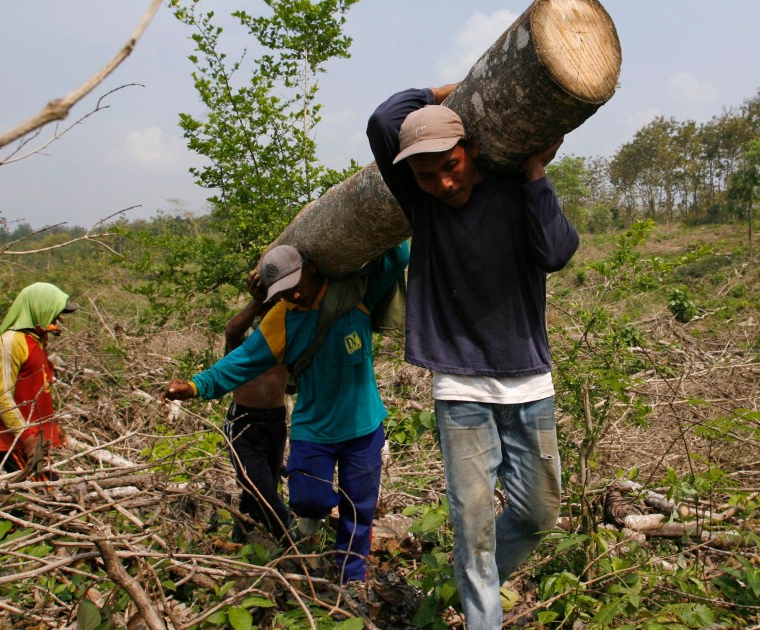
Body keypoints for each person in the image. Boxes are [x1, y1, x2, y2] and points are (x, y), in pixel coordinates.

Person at [367, 84, 579, 628]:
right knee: (473, 526)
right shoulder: (423, 203)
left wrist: (536, 175)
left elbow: (556, 252)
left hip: (530, 384)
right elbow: (384, 117)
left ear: (472, 150)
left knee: (537, 515)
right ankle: (480, 605)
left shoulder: (515, 192)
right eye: (426, 174)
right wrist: (446, 90)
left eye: (451, 166)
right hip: (460, 389)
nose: (442, 182)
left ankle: (467, 582)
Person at [163, 241, 410, 583]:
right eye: (282, 291)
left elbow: (398, 255)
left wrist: (387, 216)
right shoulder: (281, 319)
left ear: (310, 269)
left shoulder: (355, 294)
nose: (292, 296)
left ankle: (350, 577)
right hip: (314, 431)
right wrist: (194, 386)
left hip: (363, 427)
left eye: (295, 287)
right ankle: (314, 524)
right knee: (307, 500)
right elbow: (240, 360)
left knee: (359, 509)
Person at [0, 282, 78, 482]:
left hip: (36, 442)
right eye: (55, 312)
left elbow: (38, 390)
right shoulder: (10, 343)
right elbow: (1, 396)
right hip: (17, 444)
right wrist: (26, 437)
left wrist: (53, 426)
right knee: (45, 503)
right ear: (39, 309)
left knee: (49, 500)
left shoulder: (35, 341)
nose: (58, 318)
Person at [221, 270, 293, 542]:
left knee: (263, 486)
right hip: (243, 423)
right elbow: (231, 331)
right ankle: (290, 542)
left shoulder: (290, 331)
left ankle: (242, 538)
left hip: (275, 422)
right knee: (260, 487)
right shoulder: (248, 335)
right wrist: (256, 302)